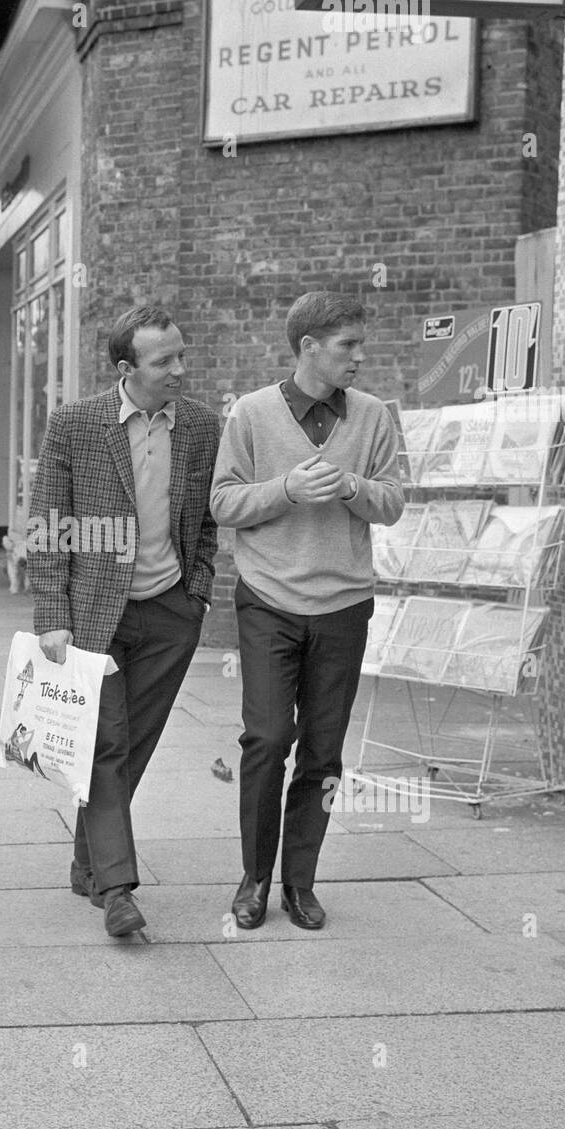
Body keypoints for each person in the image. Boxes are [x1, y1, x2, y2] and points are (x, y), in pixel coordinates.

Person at [211, 291, 403, 932]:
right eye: (348, 345)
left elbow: (394, 502)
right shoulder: (250, 414)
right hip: (268, 598)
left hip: (345, 603)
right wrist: (286, 490)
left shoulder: (374, 416)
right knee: (266, 739)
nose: (359, 357)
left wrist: (352, 488)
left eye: (359, 344)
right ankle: (255, 876)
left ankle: (301, 882)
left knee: (323, 752)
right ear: (308, 348)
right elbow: (223, 503)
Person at [30, 305, 219, 937]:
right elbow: (48, 524)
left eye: (181, 355)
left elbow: (209, 517)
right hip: (94, 614)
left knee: (133, 745)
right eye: (164, 360)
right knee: (104, 743)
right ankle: (117, 888)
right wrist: (51, 614)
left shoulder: (199, 425)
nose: (179, 370)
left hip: (170, 610)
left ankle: (88, 861)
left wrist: (199, 592)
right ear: (125, 368)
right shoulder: (76, 424)